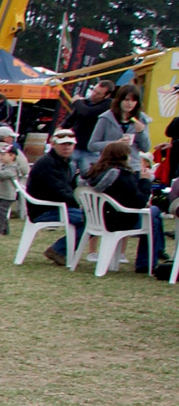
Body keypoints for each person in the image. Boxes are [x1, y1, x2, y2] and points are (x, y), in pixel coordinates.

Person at [87, 139, 164, 274]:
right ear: (124, 157)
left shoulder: (94, 172)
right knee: (154, 213)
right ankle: (147, 261)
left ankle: (150, 258)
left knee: (154, 216)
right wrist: (145, 181)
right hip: (119, 220)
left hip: (96, 218)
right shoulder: (122, 175)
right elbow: (139, 202)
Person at [32, 128, 84, 264]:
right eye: (63, 144)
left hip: (55, 206)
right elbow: (57, 192)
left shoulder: (64, 162)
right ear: (53, 144)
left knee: (92, 219)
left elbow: (66, 190)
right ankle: (59, 250)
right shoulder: (47, 164)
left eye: (70, 144)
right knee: (90, 220)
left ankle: (61, 250)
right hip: (45, 209)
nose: (66, 147)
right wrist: (79, 204)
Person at [86, 86, 147, 169]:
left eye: (134, 100)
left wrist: (141, 132)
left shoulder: (141, 118)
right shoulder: (106, 118)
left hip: (132, 167)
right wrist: (115, 143)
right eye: (126, 100)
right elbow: (92, 145)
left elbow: (146, 148)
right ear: (119, 100)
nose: (130, 103)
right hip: (109, 166)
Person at [64, 80, 112, 152]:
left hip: (91, 148)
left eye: (98, 94)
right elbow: (72, 118)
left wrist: (77, 102)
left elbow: (87, 113)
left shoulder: (108, 104)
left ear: (107, 95)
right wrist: (62, 127)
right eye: (94, 91)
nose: (94, 94)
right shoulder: (85, 102)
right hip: (75, 143)